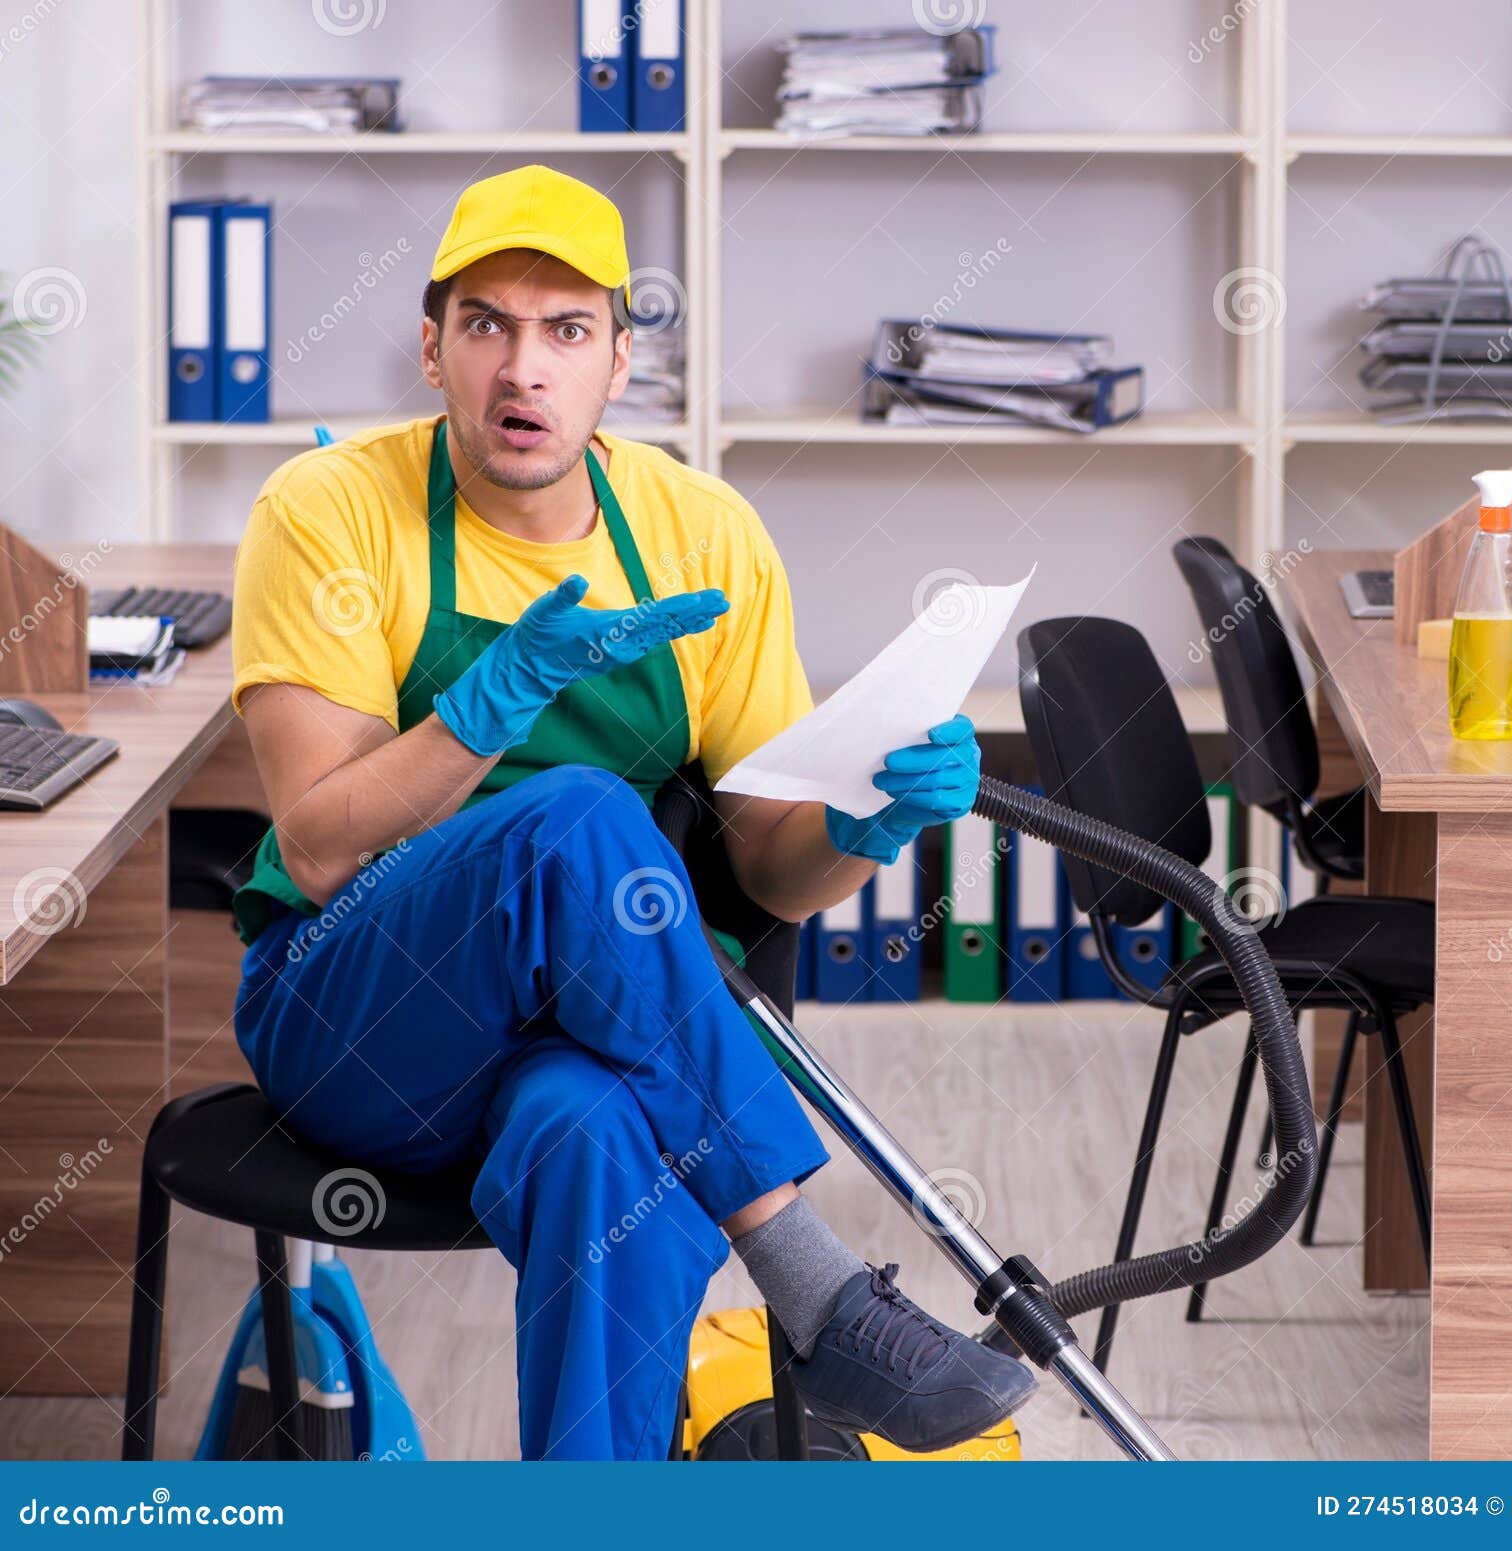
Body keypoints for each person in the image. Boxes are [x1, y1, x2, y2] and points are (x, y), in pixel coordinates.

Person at [228, 164, 1034, 1461]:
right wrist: (483, 712)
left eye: (566, 331)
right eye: (485, 325)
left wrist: (866, 827)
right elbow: (318, 849)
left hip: (588, 1039)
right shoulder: (327, 511)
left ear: (619, 360)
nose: (522, 369)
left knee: (597, 1132)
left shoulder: (699, 530)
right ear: (432, 351)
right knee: (579, 817)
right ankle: (813, 1278)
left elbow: (769, 874)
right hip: (356, 1017)